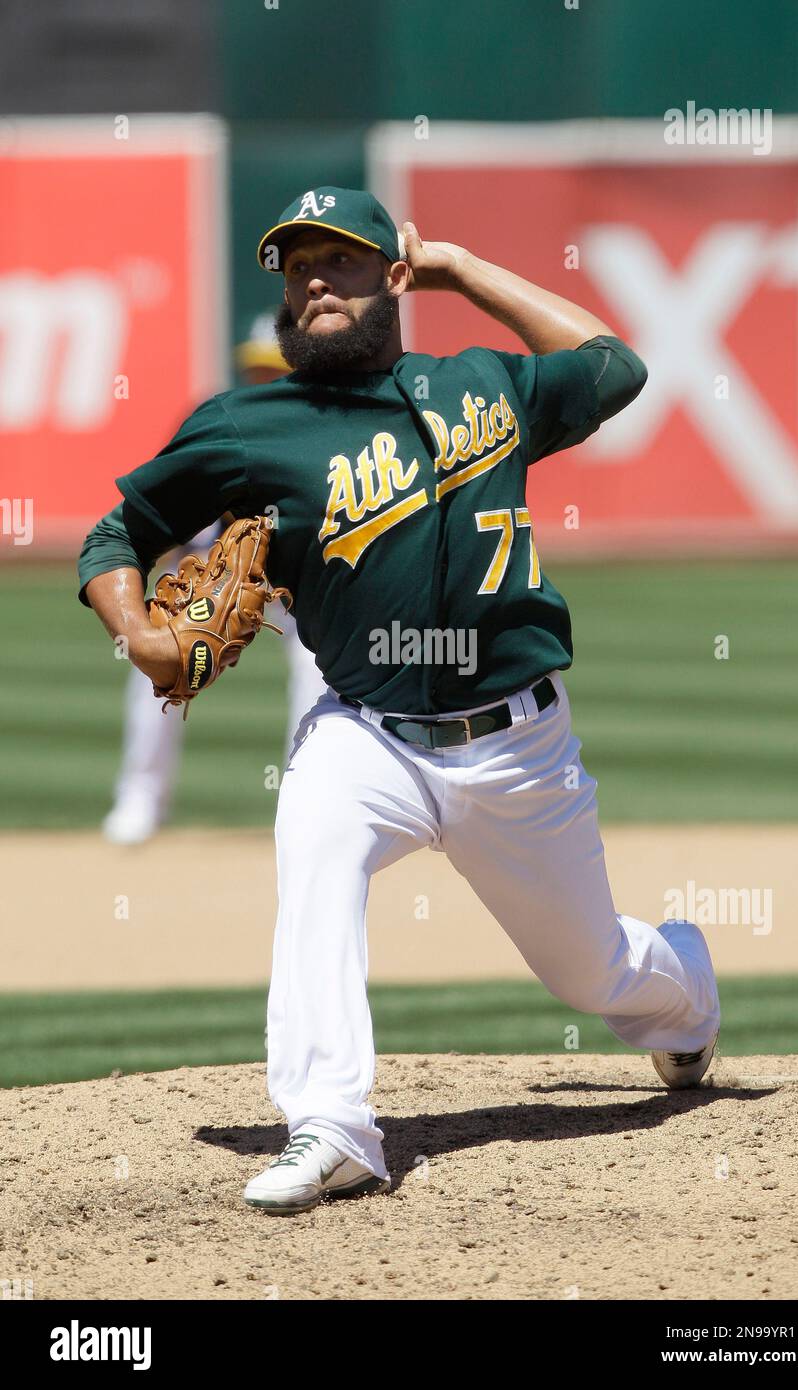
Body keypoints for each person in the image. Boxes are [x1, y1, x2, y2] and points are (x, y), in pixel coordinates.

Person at [78, 186, 720, 1215]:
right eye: (296, 267)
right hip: (366, 734)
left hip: (519, 748)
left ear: (395, 275)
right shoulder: (248, 426)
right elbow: (117, 532)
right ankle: (331, 1124)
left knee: (594, 975)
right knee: (316, 846)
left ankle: (685, 985)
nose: (315, 280)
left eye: (339, 259)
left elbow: (617, 366)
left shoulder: (482, 386)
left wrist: (465, 266)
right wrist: (140, 631)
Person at [101, 316, 325, 846]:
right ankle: (140, 798)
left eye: (274, 367)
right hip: (224, 577)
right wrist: (187, 583)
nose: (262, 377)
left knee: (320, 668)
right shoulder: (221, 425)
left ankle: (310, 801)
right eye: (256, 366)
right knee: (156, 654)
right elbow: (171, 522)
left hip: (301, 585)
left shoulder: (324, 429)